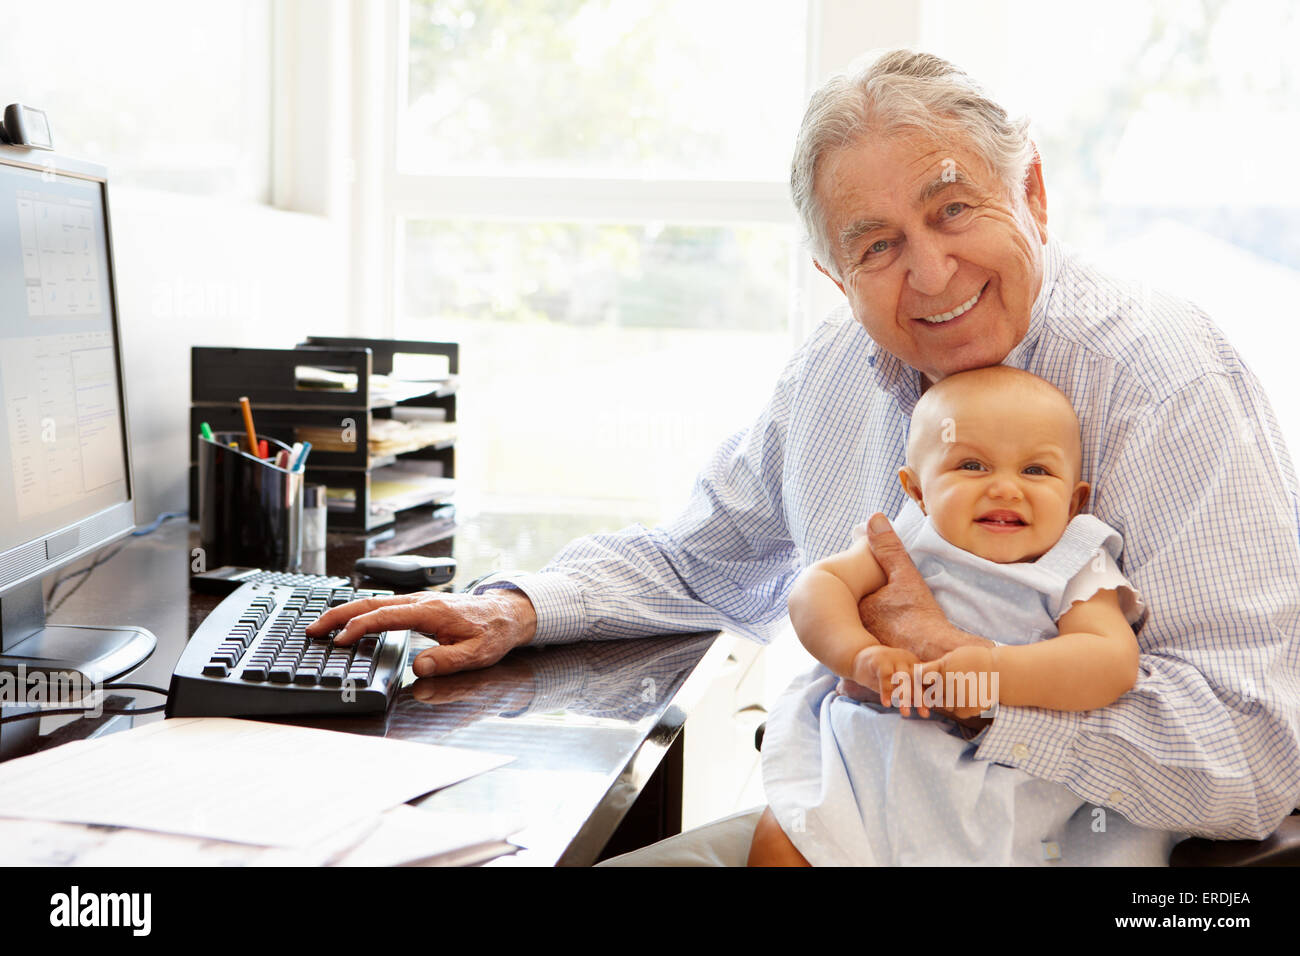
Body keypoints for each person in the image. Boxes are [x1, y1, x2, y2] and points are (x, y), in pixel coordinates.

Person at [308, 49, 1300, 864]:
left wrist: (973, 687)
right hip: (859, 823)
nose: (930, 269)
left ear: (1031, 190)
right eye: (875, 245)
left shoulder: (1162, 377)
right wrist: (512, 606)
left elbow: (1259, 748)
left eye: (953, 209)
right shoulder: (837, 369)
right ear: (834, 274)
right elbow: (700, 558)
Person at [747, 365, 1150, 866]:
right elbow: (816, 588)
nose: (1005, 488)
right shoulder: (909, 539)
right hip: (866, 754)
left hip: (999, 782)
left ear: (1074, 501)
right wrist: (859, 654)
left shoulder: (1077, 562)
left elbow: (1110, 661)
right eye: (972, 466)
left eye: (1036, 471)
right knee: (782, 837)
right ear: (917, 490)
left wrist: (992, 671)